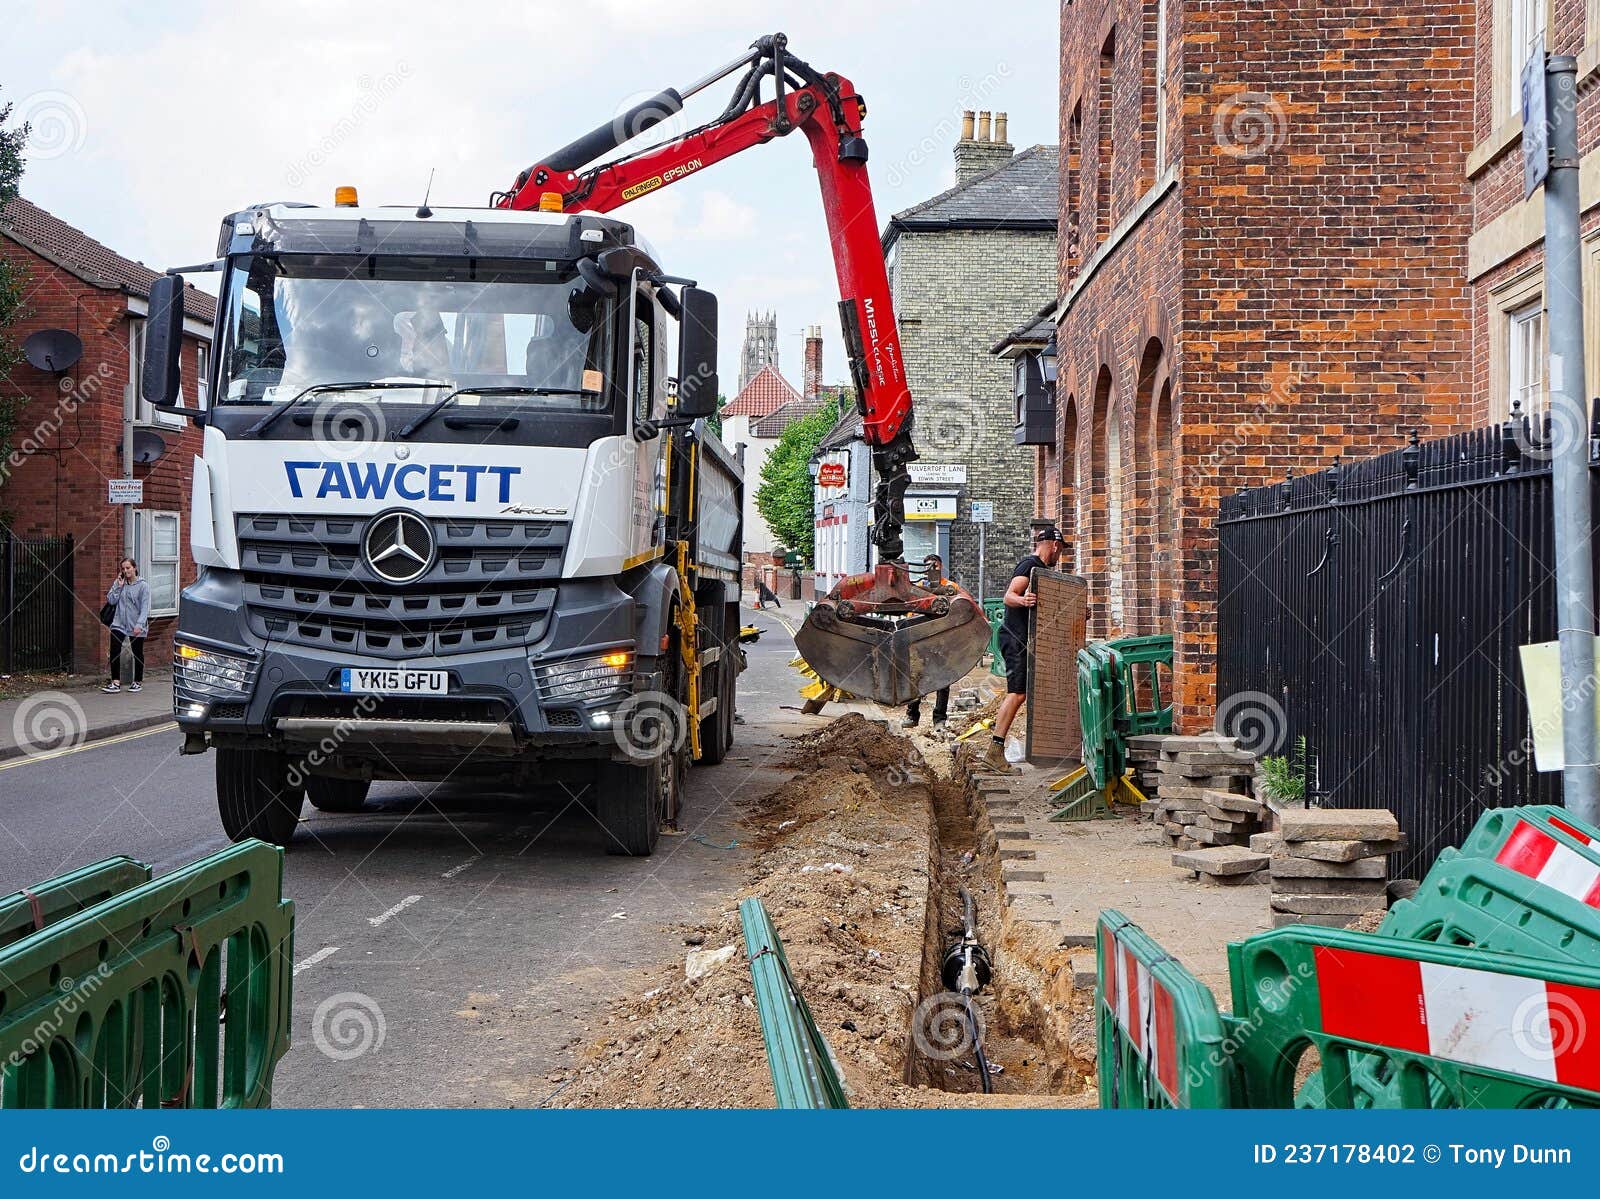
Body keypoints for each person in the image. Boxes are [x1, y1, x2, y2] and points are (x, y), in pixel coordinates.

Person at [985, 527, 1066, 773]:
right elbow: (1009, 596)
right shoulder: (1029, 566)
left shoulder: (1042, 572)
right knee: (1017, 693)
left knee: (1032, 692)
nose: (1059, 556)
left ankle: (1046, 747)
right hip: (1015, 639)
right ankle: (994, 752)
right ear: (1054, 545)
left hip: (1027, 641)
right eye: (1060, 550)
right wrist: (1023, 600)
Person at [903, 553, 951, 728]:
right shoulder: (918, 588)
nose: (932, 570)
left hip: (942, 640)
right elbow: (910, 612)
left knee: (943, 680)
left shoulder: (950, 587)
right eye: (928, 567)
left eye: (935, 566)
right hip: (921, 638)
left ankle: (939, 719)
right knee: (916, 677)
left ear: (940, 566)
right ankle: (912, 715)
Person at [103, 557, 151, 695]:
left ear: (134, 568)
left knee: (137, 652)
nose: (125, 571)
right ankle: (115, 682)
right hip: (118, 623)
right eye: (123, 568)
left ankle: (137, 681)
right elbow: (111, 600)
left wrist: (139, 624)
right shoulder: (119, 582)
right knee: (114, 651)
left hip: (136, 624)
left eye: (128, 568)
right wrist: (118, 586)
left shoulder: (143, 586)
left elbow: (145, 608)